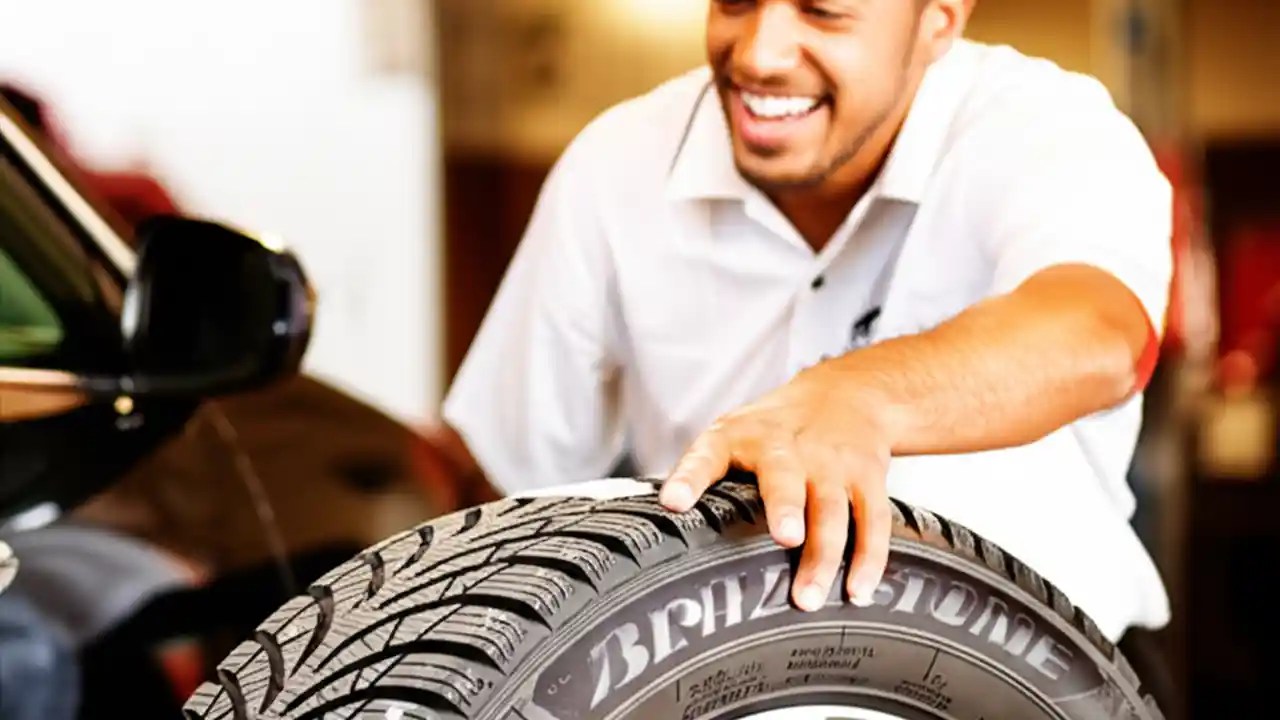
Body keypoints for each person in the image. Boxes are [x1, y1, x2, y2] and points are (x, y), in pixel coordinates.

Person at [438, 0, 1175, 707]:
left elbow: (1099, 335)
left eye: (823, 11)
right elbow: (517, 487)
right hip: (707, 686)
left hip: (1045, 682)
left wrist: (858, 397)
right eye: (734, 2)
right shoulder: (613, 165)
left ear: (938, 19)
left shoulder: (1050, 127)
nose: (759, 54)